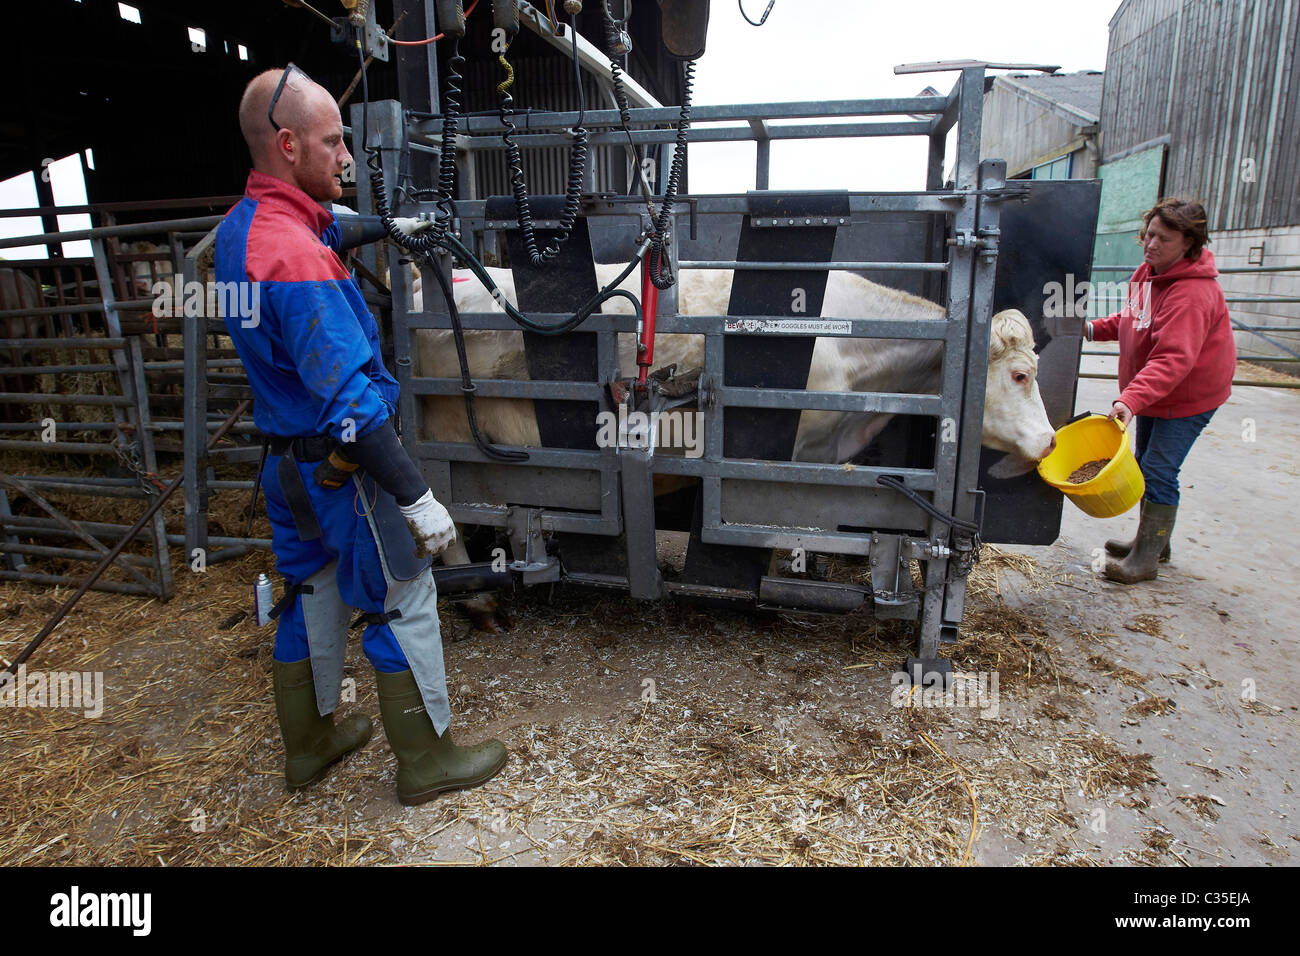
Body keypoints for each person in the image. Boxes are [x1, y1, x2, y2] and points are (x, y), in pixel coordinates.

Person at [214, 64, 507, 804]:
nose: (346, 155)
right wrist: (416, 498)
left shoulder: (242, 232)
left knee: (308, 591)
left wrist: (386, 227)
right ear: (287, 144)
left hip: (284, 467)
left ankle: (310, 746)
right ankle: (427, 761)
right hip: (343, 467)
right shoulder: (301, 263)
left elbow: (317, 225)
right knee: (401, 595)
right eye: (332, 141)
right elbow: (353, 404)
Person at [1086, 198, 1236, 584]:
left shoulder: (1192, 294)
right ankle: (1152, 542)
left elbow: (1172, 360)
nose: (1151, 244)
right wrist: (1092, 329)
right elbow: (1132, 318)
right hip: (1155, 392)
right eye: (1150, 234)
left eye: (1163, 239)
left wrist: (1129, 400)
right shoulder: (1149, 272)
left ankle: (1146, 560)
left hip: (1188, 397)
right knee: (1145, 463)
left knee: (1158, 470)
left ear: (1189, 242)